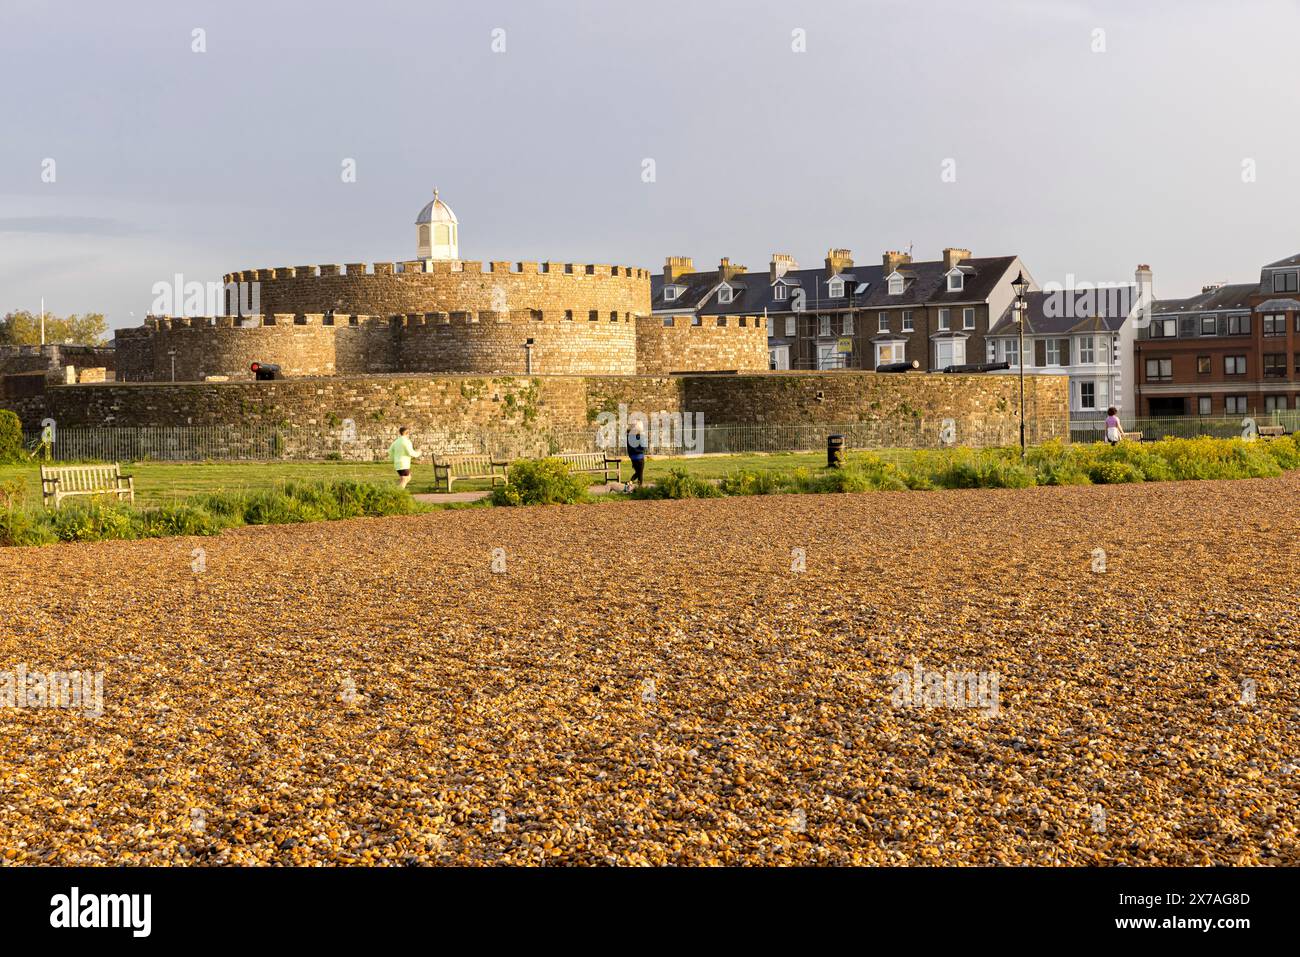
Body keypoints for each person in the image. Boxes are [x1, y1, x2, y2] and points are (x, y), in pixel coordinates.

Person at [625, 420, 647, 491]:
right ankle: (640, 487)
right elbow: (643, 447)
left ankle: (630, 482)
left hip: (633, 457)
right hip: (639, 456)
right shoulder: (639, 436)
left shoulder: (629, 436)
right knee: (640, 473)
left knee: (638, 472)